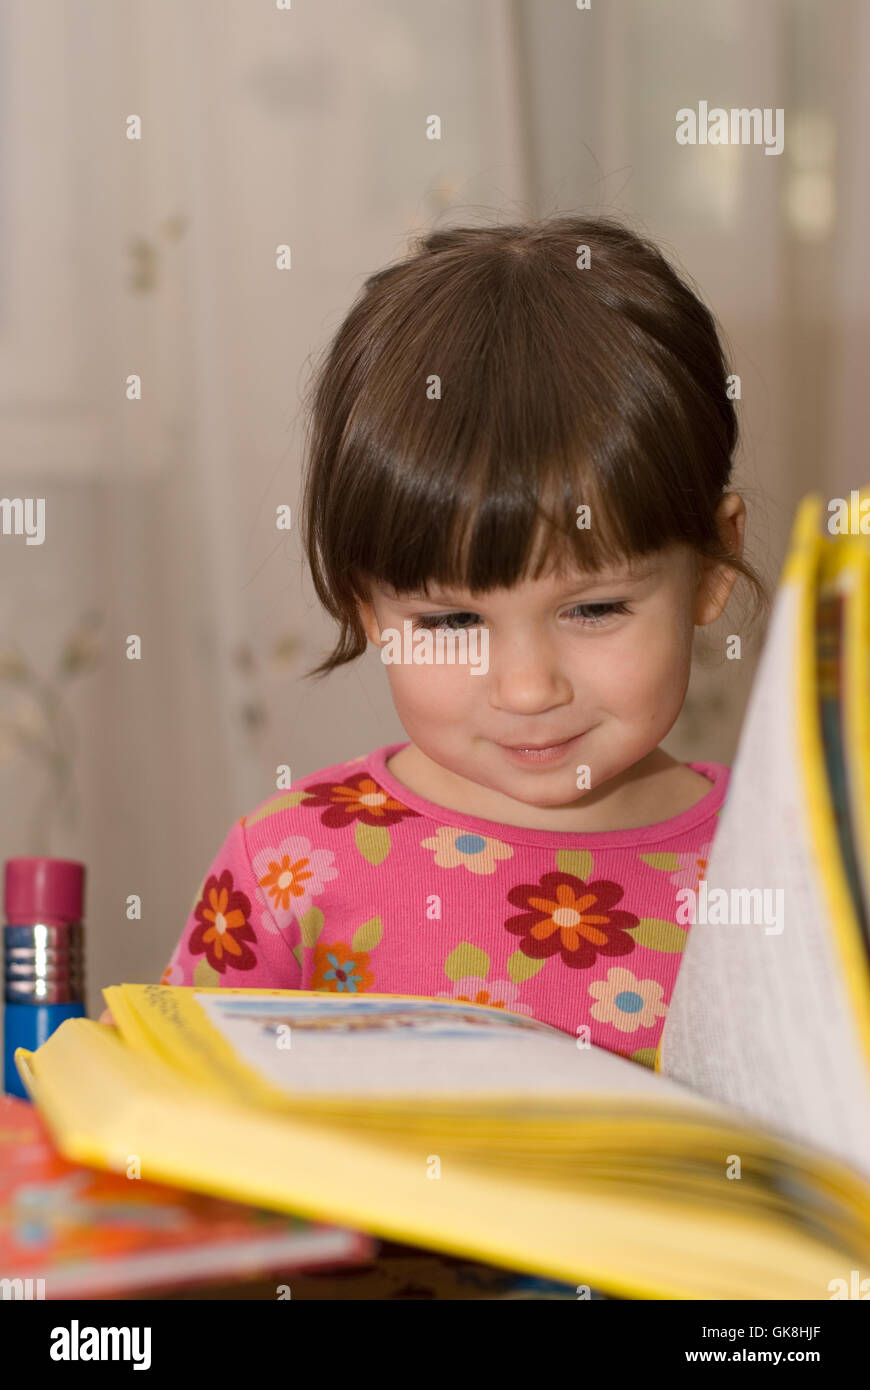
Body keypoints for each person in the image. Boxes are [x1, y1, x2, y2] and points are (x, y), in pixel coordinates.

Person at [102, 214, 769, 1065]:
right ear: (368, 609)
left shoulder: (786, 867)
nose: (527, 690)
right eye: (453, 622)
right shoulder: (290, 866)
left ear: (714, 565)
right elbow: (158, 1118)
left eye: (594, 609)